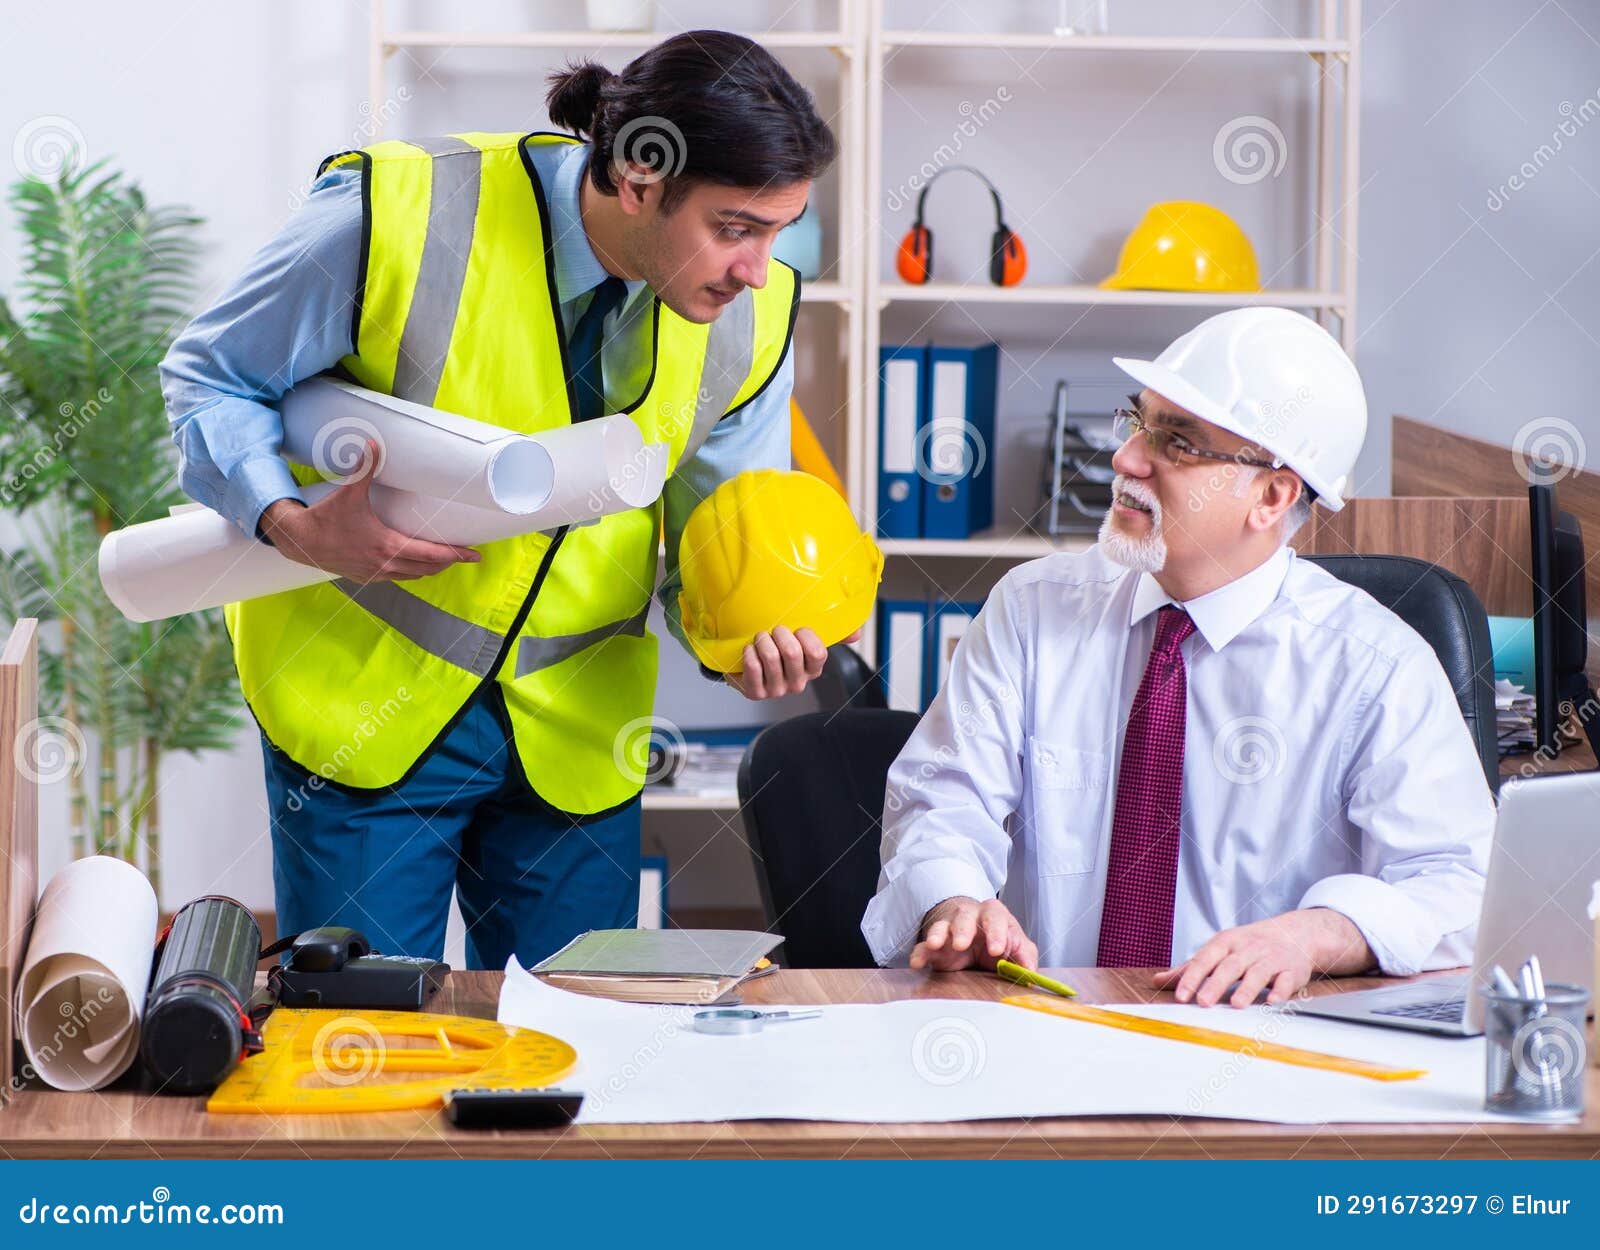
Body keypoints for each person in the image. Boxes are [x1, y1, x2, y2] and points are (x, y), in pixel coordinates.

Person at [160, 31, 838, 966]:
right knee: (359, 1049)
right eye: (736, 228)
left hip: (575, 735)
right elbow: (210, 376)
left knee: (569, 1049)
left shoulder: (751, 318)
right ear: (641, 177)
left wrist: (746, 640)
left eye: (779, 229)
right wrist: (293, 525)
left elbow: (717, 547)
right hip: (368, 714)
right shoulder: (399, 214)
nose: (759, 269)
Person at [861, 308, 1495, 1008]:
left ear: (1272, 495)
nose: (1128, 459)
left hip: (1264, 1056)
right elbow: (941, 802)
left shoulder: (1374, 667)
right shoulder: (1033, 609)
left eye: (1179, 443)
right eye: (1139, 420)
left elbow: (1462, 885)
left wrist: (1318, 935)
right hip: (1051, 1032)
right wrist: (955, 901)